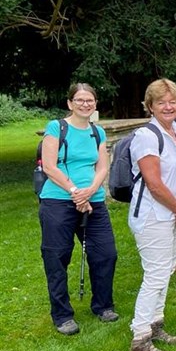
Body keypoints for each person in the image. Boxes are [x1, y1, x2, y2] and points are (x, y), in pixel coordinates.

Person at [38, 83, 117, 335]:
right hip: (58, 201)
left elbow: (102, 167)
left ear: (95, 104)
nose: (85, 104)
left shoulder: (98, 132)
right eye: (80, 100)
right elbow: (50, 167)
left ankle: (103, 305)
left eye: (90, 100)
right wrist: (75, 193)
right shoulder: (56, 128)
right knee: (57, 257)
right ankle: (62, 315)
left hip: (93, 200)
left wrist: (89, 192)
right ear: (70, 103)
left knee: (106, 253)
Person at [129, 79, 176, 351]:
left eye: (172, 101)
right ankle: (140, 339)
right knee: (155, 274)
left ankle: (156, 325)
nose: (168, 107)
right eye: (160, 102)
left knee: (166, 271)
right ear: (150, 106)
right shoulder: (147, 136)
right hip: (153, 216)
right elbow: (153, 183)